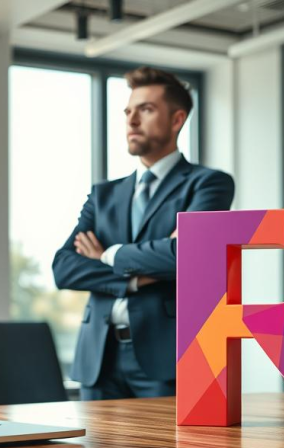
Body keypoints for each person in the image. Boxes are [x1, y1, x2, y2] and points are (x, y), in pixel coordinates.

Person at [53, 66, 235, 400]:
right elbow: (64, 268)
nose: (131, 120)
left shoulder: (208, 184)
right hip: (99, 357)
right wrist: (135, 278)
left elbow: (186, 257)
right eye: (128, 111)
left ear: (177, 119)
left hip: (165, 357)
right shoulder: (103, 194)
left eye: (146, 110)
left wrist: (108, 254)